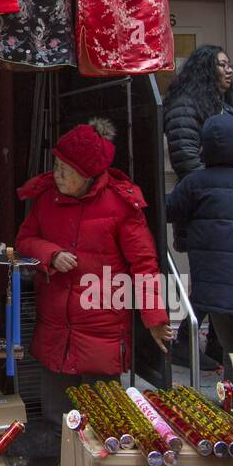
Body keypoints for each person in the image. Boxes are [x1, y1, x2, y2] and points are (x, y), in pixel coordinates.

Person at [16, 119, 172, 425]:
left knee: (102, 421)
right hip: (56, 331)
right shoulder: (48, 197)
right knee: (56, 417)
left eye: (65, 170)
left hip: (102, 332)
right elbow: (23, 240)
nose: (56, 174)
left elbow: (144, 264)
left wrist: (154, 318)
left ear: (87, 175)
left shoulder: (121, 203)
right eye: (56, 165)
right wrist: (52, 254)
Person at [166, 114, 233, 377]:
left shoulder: (196, 183)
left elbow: (167, 209)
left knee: (229, 346)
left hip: (213, 287)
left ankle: (232, 406)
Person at [163, 44, 233, 178]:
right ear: (205, 69)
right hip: (209, 188)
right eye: (222, 65)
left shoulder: (225, 104)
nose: (229, 71)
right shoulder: (185, 106)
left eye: (229, 66)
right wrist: (214, 185)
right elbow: (186, 159)